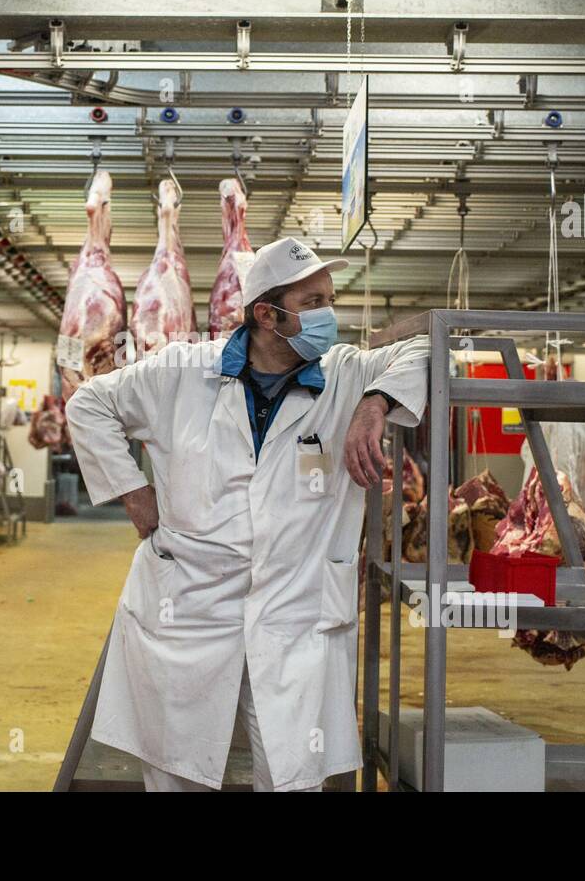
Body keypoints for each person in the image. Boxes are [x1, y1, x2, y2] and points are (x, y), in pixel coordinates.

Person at [66, 236, 429, 792]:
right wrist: (133, 492)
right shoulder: (182, 370)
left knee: (293, 775)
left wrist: (374, 403)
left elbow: (432, 348)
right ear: (267, 314)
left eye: (330, 300)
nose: (329, 315)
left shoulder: (347, 373)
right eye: (314, 303)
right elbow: (88, 405)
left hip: (296, 613)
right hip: (186, 607)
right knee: (176, 769)